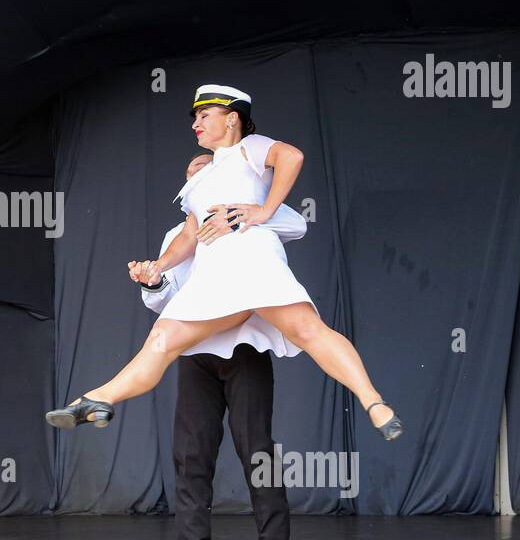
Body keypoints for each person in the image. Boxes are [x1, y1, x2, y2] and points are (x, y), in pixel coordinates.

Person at [46, 84, 402, 441]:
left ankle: (374, 402)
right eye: (195, 118)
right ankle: (99, 399)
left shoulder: (248, 147)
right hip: (214, 273)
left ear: (232, 119)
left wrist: (262, 210)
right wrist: (159, 266)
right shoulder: (201, 180)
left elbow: (291, 157)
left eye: (204, 116)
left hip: (250, 258)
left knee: (307, 330)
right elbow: (189, 236)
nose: (195, 125)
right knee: (162, 339)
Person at [137, 152, 305, 540]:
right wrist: (152, 281)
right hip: (197, 353)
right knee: (191, 457)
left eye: (209, 168)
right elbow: (162, 299)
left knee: (259, 455)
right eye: (193, 170)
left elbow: (296, 225)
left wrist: (250, 211)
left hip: (245, 346)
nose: (199, 176)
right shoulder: (178, 235)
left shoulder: (251, 216)